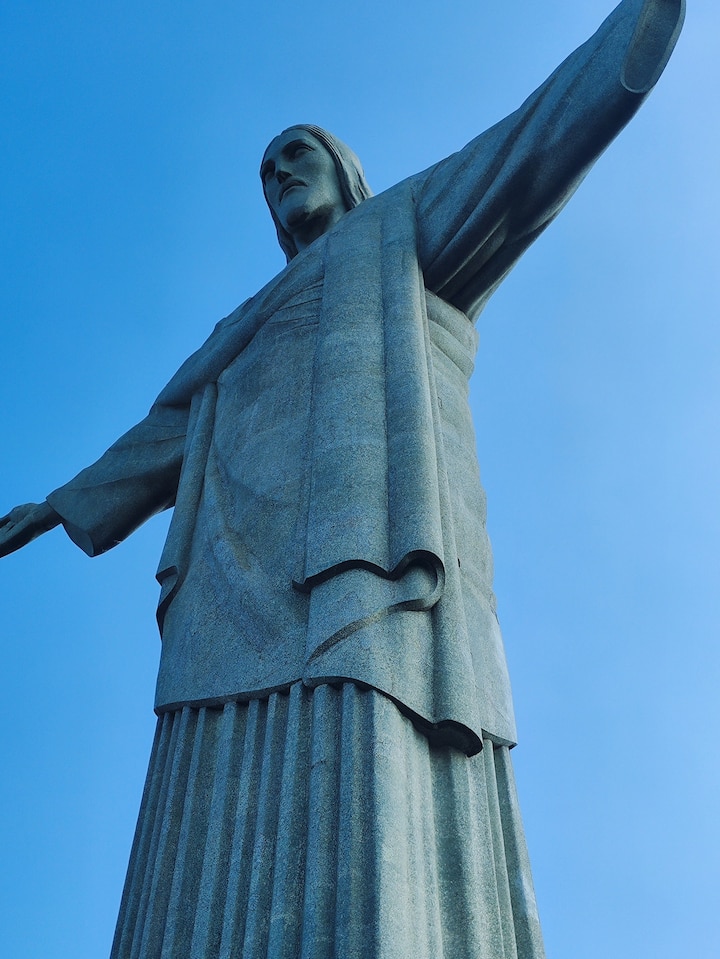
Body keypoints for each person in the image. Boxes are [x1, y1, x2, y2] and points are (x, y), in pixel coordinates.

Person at [0, 2, 685, 957]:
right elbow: (167, 429)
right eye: (265, 169)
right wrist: (60, 503)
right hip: (226, 596)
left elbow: (529, 147)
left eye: (295, 153)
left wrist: (647, 21)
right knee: (205, 798)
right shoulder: (235, 330)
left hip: (357, 557)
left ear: (345, 173)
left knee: (360, 754)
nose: (277, 172)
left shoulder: (402, 232)